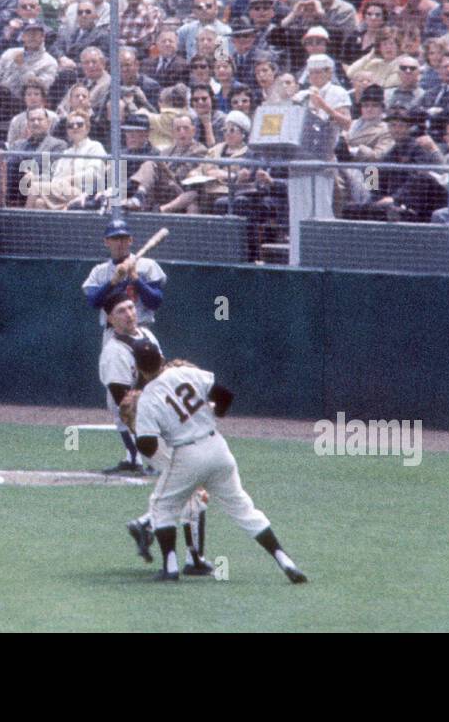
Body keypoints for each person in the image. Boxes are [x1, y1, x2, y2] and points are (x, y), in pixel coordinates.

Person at [125, 341, 308, 584]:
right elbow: (224, 395)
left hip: (186, 454)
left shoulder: (148, 397)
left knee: (161, 507)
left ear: (137, 368)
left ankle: (170, 567)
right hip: (217, 447)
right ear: (161, 356)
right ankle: (284, 558)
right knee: (243, 508)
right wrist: (214, 413)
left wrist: (161, 436)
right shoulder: (186, 372)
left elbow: (147, 444)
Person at [99, 292, 213, 576]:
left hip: (168, 423)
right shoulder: (113, 352)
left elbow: (158, 374)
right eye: (121, 311)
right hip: (149, 429)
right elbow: (124, 400)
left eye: (130, 307)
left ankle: (160, 534)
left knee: (191, 486)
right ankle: (185, 553)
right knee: (193, 485)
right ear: (111, 320)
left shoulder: (147, 335)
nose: (129, 313)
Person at [81, 219, 167, 474]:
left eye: (123, 238)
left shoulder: (148, 266)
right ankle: (133, 456)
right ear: (106, 242)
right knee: (117, 399)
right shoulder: (100, 271)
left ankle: (157, 454)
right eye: (114, 238)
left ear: (131, 241)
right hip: (114, 337)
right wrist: (113, 282)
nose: (119, 242)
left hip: (143, 333)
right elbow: (93, 302)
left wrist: (134, 279)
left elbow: (156, 300)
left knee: (154, 393)